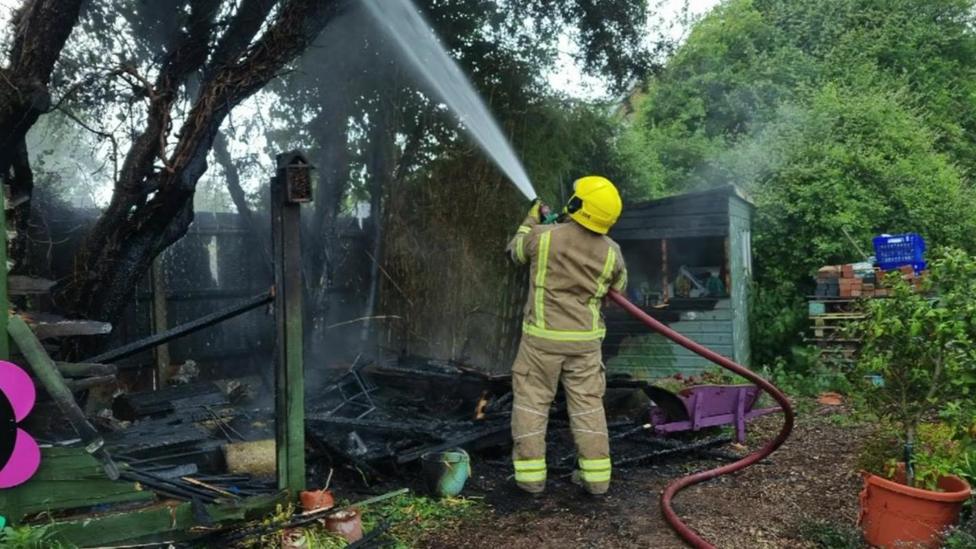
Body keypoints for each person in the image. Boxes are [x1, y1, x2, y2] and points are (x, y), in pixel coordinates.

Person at [505, 175, 627, 496]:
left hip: (541, 341)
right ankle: (597, 481)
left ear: (577, 205)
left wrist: (531, 220)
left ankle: (531, 481)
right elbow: (619, 288)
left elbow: (515, 252)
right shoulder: (613, 253)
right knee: (588, 407)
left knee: (532, 404)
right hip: (585, 345)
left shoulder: (543, 237)